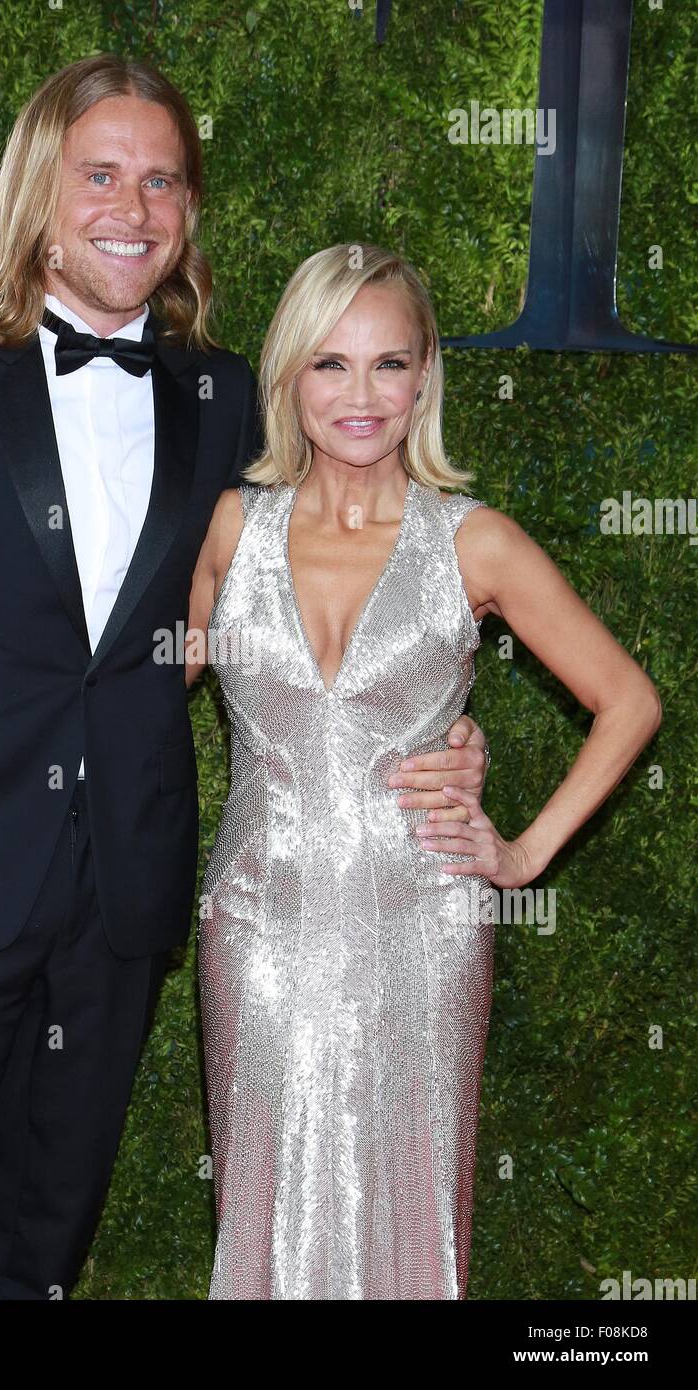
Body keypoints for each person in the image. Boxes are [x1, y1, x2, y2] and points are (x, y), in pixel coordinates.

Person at [0, 60, 490, 1301]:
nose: (134, 206)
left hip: (123, 891)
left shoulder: (220, 397)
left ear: (187, 209)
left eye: (162, 179)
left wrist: (445, 725)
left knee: (40, 1233)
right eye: (100, 174)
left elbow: (322, 582)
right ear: (39, 190)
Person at [184, 244, 661, 1298]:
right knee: (261, 1206)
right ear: (288, 377)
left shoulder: (473, 542)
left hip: (422, 928)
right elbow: (129, 686)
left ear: (424, 378)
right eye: (329, 364)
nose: (360, 395)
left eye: (388, 364)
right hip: (257, 927)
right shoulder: (231, 529)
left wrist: (522, 851)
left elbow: (629, 701)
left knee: (413, 1216)